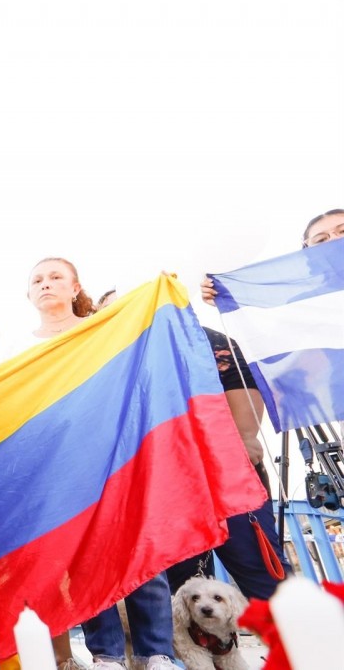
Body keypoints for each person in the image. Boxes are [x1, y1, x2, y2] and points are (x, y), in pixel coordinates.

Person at [24, 257, 180, 670]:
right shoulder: (18, 348)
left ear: (75, 287)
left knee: (140, 546)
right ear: (28, 294)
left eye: (56, 277)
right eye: (37, 280)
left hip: (118, 451)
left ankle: (156, 652)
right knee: (85, 556)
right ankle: (106, 654)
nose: (46, 284)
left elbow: (147, 351)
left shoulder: (104, 328)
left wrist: (164, 296)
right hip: (60, 463)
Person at [166, 327, 291, 599]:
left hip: (229, 482)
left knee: (265, 579)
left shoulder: (211, 341)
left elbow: (244, 425)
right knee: (185, 594)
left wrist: (244, 435)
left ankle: (293, 626)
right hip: (168, 489)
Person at [200, 208, 344, 304]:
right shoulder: (305, 303)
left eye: (343, 231)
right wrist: (227, 301)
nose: (334, 239)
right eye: (321, 240)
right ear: (310, 256)